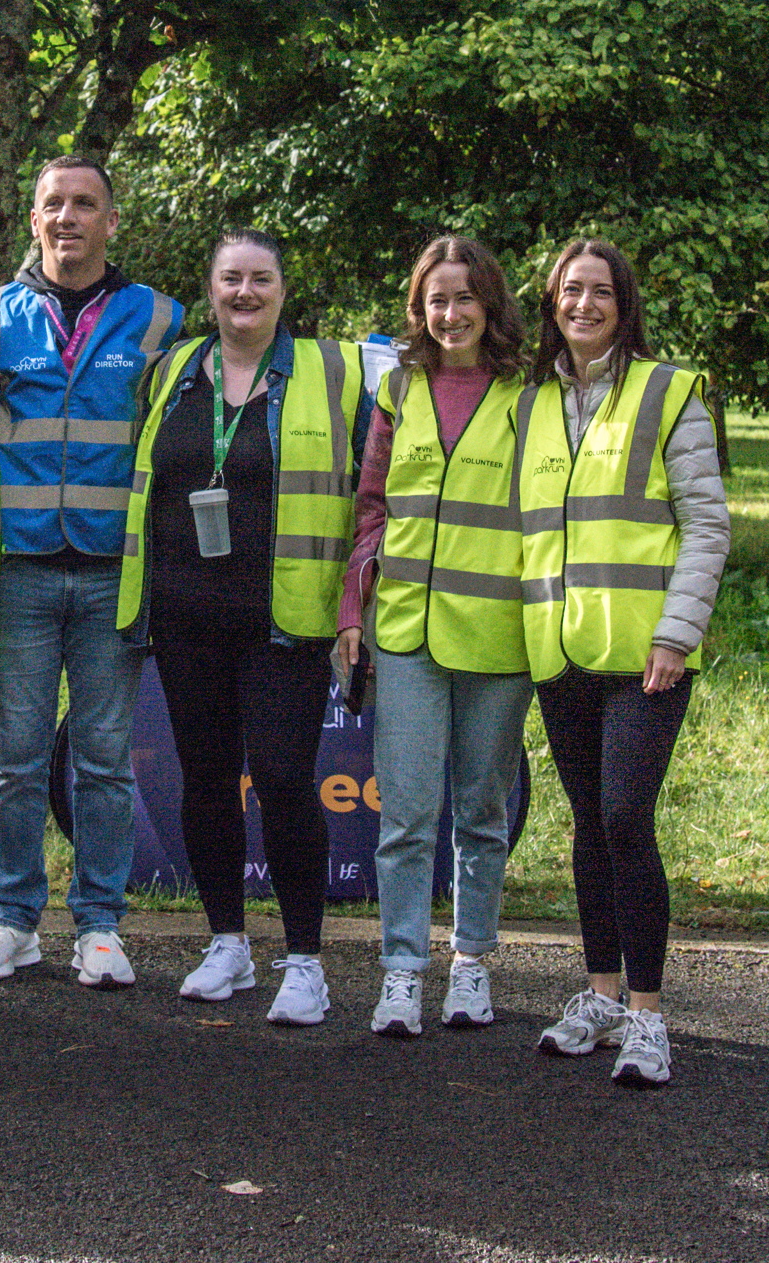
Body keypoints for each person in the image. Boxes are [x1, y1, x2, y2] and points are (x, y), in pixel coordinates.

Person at [116, 228, 373, 1024]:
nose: (245, 294)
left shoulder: (335, 372)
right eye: (231, 279)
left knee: (288, 779)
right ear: (211, 288)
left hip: (283, 621)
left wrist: (357, 604)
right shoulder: (171, 373)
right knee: (205, 779)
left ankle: (305, 961)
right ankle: (226, 941)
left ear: (283, 291)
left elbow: (376, 488)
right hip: (186, 616)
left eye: (261, 279)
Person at [0, 156, 183, 988]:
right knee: (15, 757)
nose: (69, 218)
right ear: (34, 218)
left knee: (103, 758)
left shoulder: (161, 321)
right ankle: (11, 916)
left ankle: (99, 924)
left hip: (110, 576)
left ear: (112, 221)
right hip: (14, 569)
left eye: (86, 204)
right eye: (54, 203)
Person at [518, 239, 727, 1087]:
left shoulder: (669, 392)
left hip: (648, 653)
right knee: (586, 827)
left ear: (624, 304)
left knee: (623, 818)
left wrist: (678, 632)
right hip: (560, 646)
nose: (585, 305)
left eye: (601, 292)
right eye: (571, 290)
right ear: (552, 302)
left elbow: (707, 522)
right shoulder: (528, 402)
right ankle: (599, 993)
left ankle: (647, 1013)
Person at [336, 235, 534, 1038]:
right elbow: (371, 506)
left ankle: (474, 964)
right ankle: (402, 970)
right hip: (406, 629)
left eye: (463, 297)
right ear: (418, 310)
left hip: (499, 630)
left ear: (490, 302)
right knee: (408, 811)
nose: (449, 314)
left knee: (482, 810)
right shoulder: (399, 387)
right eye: (434, 300)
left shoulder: (532, 392)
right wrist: (354, 611)